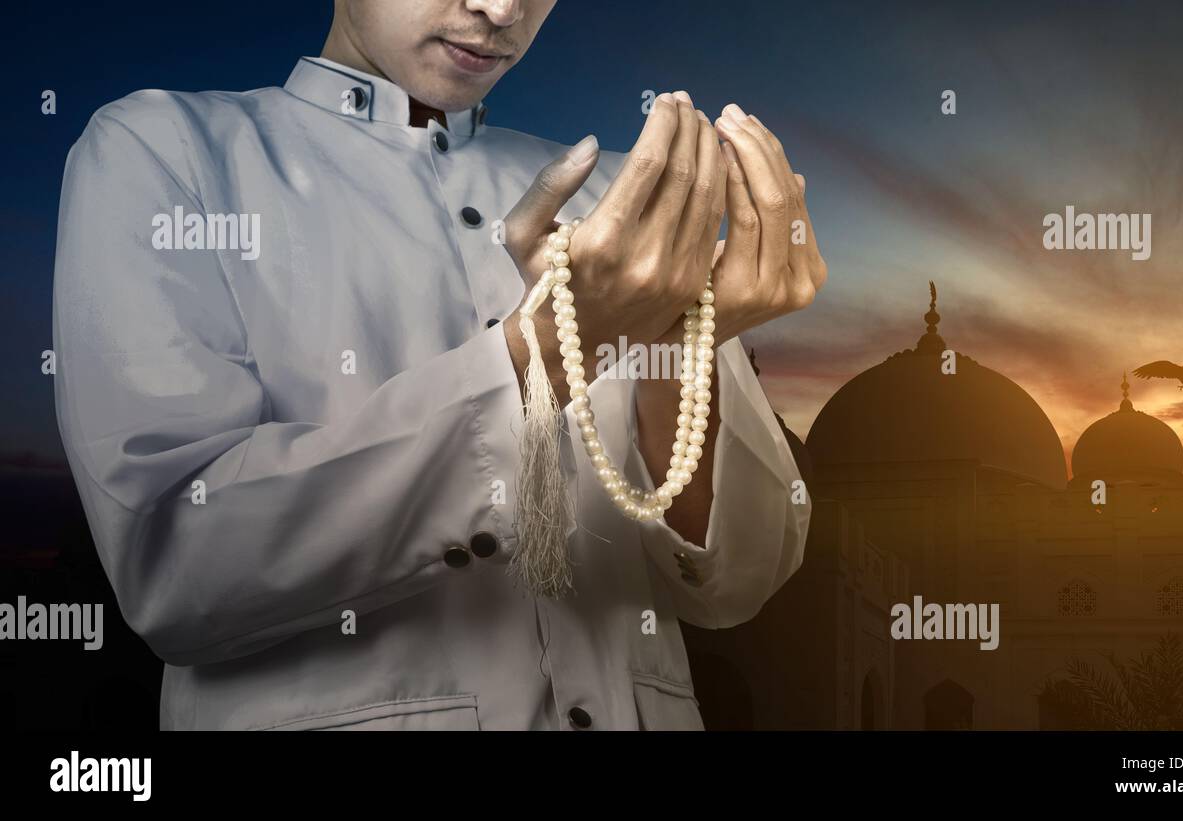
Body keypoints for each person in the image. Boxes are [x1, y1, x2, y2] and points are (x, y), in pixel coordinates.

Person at [51, 0, 826, 730]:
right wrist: (553, 351)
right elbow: (175, 562)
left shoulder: (624, 205)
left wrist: (668, 346)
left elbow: (736, 583)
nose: (501, 11)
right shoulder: (168, 154)